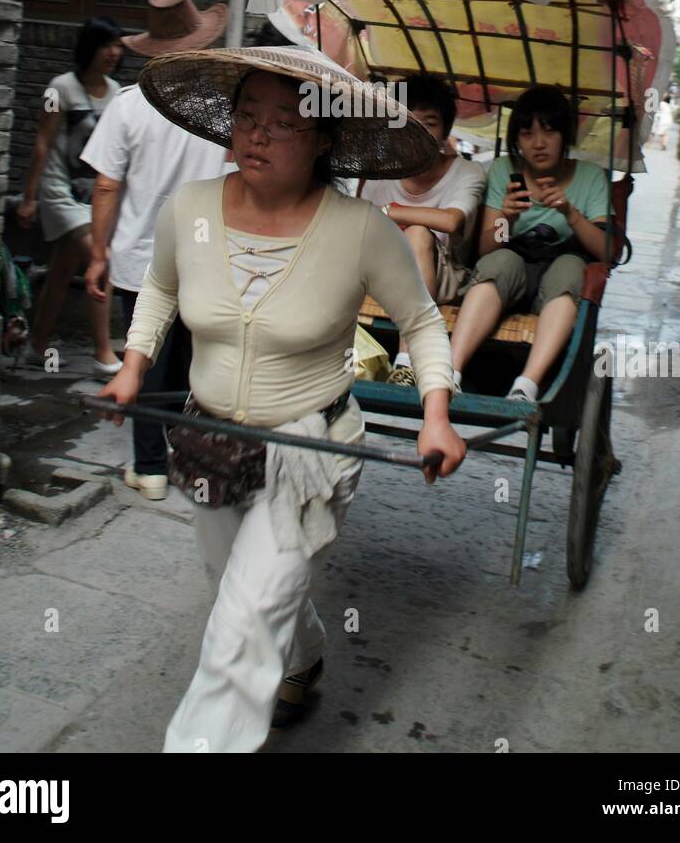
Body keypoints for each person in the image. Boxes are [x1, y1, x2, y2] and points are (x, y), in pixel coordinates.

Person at [100, 46, 466, 752]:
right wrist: (132, 366)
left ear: (324, 140)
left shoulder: (359, 229)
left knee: (237, 629)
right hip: (209, 440)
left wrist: (436, 416)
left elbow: (421, 323)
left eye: (282, 122)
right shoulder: (193, 210)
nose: (256, 135)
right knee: (232, 587)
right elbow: (162, 288)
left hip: (308, 451)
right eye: (246, 117)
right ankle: (301, 660)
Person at [80, 0, 230, 500]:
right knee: (193, 362)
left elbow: (106, 185)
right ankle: (189, 455)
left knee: (143, 362)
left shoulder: (128, 105)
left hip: (140, 257)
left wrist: (98, 255)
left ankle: (150, 469)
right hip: (207, 258)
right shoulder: (222, 106)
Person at [450, 86, 612, 403]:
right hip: (512, 271)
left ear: (564, 135)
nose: (538, 143)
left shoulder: (591, 177)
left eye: (549, 132)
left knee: (570, 268)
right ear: (517, 140)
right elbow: (485, 250)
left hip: (558, 278)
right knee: (498, 263)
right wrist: (506, 219)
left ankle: (527, 383)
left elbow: (607, 252)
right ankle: (450, 372)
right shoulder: (503, 170)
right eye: (527, 134)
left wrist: (570, 213)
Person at [359, 74, 486, 383]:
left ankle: (407, 359)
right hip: (380, 271)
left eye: (429, 124)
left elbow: (452, 221)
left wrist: (393, 211)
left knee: (416, 233)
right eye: (407, 122)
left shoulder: (468, 172)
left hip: (442, 275)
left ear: (445, 133)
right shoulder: (378, 169)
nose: (417, 134)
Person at [17, 17, 123, 375]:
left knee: (62, 270)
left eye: (118, 45)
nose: (114, 52)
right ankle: (103, 354)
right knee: (101, 261)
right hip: (59, 190)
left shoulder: (116, 91)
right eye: (107, 44)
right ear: (89, 47)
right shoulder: (57, 88)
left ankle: (36, 345)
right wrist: (30, 197)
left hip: (92, 197)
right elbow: (43, 142)